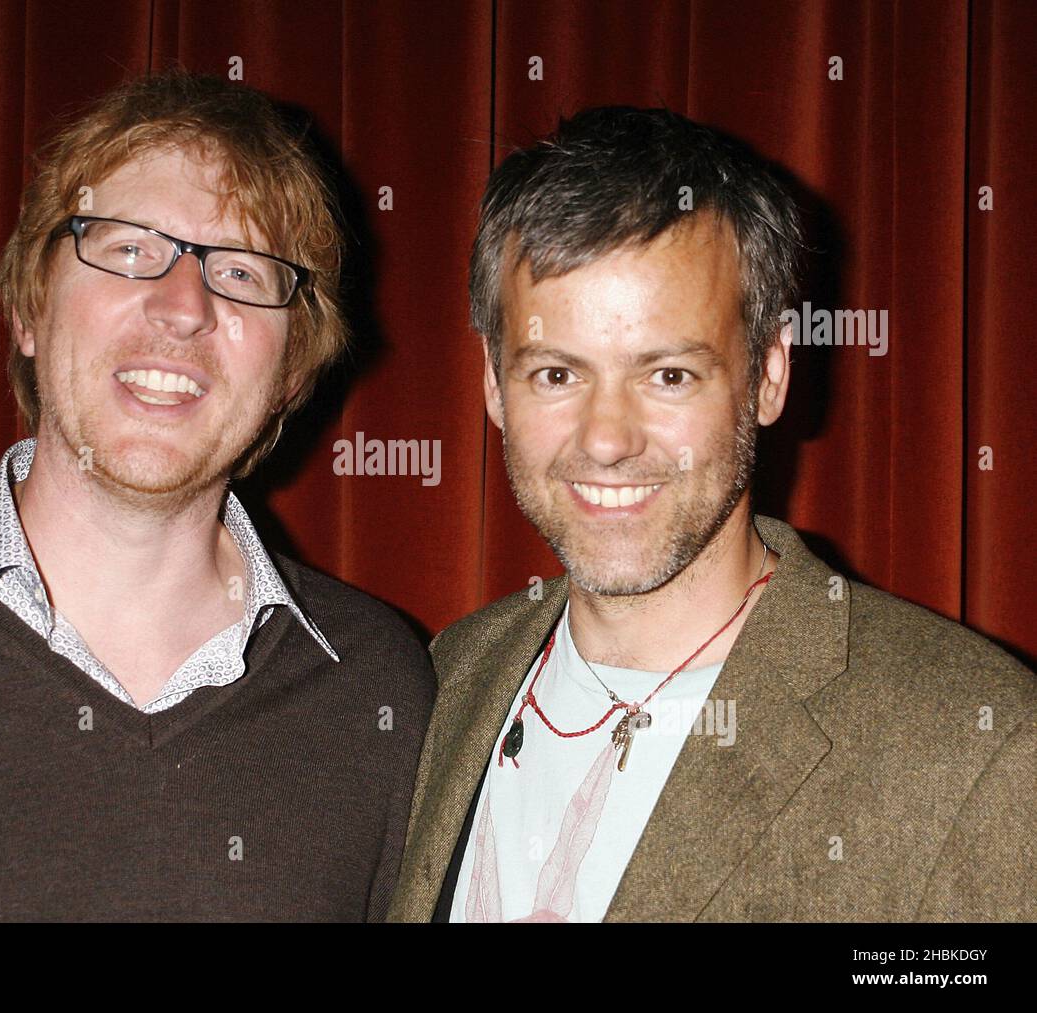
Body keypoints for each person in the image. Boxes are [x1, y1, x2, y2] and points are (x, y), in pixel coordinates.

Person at [0, 71, 433, 922]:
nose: (183, 307)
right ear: (29, 307)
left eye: (245, 273)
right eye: (129, 248)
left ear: (291, 373)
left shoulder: (376, 691)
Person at [387, 106, 1036, 923]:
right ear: (492, 383)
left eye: (668, 375)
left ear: (768, 375)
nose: (608, 439)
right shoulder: (449, 675)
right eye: (557, 374)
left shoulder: (975, 745)